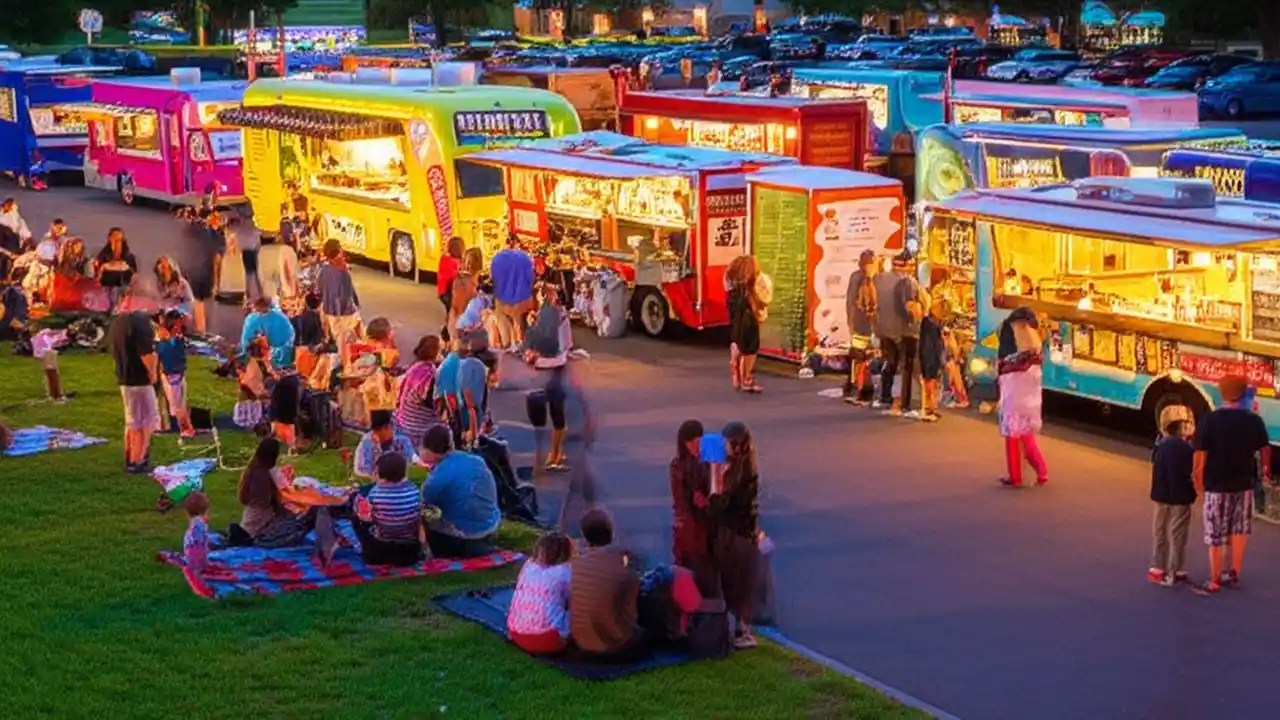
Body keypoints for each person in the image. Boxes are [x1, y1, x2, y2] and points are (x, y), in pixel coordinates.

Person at [1193, 375, 1272, 594]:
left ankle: (1215, 578)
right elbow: (1264, 448)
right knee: (1239, 529)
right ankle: (1234, 573)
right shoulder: (1253, 420)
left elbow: (1201, 453)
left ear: (1222, 393)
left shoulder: (1210, 420)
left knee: (1215, 533)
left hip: (1216, 485)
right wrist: (1265, 471)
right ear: (1243, 393)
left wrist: (1198, 479)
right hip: (1243, 483)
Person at [709, 421, 761, 649]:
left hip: (733, 533)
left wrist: (715, 478)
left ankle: (739, 630)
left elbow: (717, 505)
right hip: (744, 532)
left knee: (733, 583)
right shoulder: (746, 465)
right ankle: (741, 627)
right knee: (741, 583)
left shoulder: (736, 471)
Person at [570, 508, 645, 660]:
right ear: (611, 532)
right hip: (615, 648)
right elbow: (632, 611)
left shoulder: (575, 563)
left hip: (580, 643)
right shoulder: (622, 565)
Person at [419, 424, 501, 558]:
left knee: (420, 515)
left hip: (463, 539)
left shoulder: (437, 480)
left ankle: (423, 551)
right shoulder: (476, 460)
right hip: (491, 527)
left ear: (429, 451)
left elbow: (425, 504)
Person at [997, 307, 1048, 488]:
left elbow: (1005, 365)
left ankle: (1015, 476)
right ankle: (1042, 471)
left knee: (1013, 433)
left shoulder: (1015, 337)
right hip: (1031, 397)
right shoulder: (1036, 345)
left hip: (1015, 391)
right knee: (1027, 433)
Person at [1149, 407, 1196, 587]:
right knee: (1178, 534)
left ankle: (1157, 567)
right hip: (1180, 497)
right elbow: (1186, 473)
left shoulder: (1160, 446)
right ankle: (1175, 570)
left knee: (1160, 530)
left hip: (1161, 495)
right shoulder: (1186, 449)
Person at [108, 309, 159, 473]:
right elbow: (146, 353)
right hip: (140, 381)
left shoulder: (118, 322)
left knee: (131, 420)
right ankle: (138, 461)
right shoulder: (140, 322)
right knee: (145, 421)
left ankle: (130, 457)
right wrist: (153, 374)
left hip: (125, 379)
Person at [507, 532, 574, 655]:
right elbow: (573, 598)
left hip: (515, 632)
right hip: (550, 639)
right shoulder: (564, 572)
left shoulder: (528, 566)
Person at [352, 452, 423, 566]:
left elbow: (366, 515)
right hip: (410, 550)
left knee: (357, 516)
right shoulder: (413, 490)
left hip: (381, 549)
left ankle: (364, 550)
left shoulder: (375, 493)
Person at [670, 419, 715, 594]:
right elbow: (679, 500)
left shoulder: (710, 460)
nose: (695, 446)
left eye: (698, 441)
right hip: (692, 528)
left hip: (711, 524)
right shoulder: (678, 465)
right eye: (690, 442)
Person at [233, 437, 294, 544]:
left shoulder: (252, 469)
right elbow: (273, 503)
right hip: (262, 518)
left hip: (250, 515)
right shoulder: (264, 475)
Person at [395, 335, 446, 445]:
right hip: (417, 426)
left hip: (404, 419)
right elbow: (430, 402)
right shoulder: (427, 374)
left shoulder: (416, 366)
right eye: (441, 350)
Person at [842, 249, 878, 405]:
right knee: (865, 358)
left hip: (858, 323)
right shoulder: (875, 280)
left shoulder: (855, 277)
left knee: (858, 358)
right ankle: (863, 389)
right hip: (870, 324)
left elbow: (850, 302)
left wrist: (850, 322)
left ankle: (855, 388)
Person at [490, 235, 536, 351]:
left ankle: (510, 346)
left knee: (504, 324)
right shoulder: (525, 260)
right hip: (523, 301)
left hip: (504, 302)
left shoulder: (498, 302)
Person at [318, 239, 361, 361]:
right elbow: (346, 294)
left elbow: (320, 289)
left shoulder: (323, 271)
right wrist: (355, 306)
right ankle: (348, 367)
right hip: (345, 313)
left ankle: (343, 364)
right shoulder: (342, 272)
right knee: (351, 342)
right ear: (338, 252)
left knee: (340, 342)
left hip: (330, 312)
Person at [726, 255, 764, 394]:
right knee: (751, 348)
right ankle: (746, 379)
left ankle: (735, 369)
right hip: (748, 315)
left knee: (737, 339)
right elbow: (758, 299)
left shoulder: (730, 279)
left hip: (735, 314)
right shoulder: (751, 282)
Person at [156, 310, 195, 437]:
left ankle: (186, 426)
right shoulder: (163, 344)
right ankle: (185, 428)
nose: (181, 327)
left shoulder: (178, 341)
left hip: (178, 375)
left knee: (181, 403)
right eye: (178, 325)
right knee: (177, 405)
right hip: (170, 376)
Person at [354, 409, 418, 479]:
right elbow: (361, 469)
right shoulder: (367, 442)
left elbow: (412, 458)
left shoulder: (402, 440)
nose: (378, 435)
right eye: (375, 431)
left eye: (383, 429)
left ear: (389, 426)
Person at [241, 296, 296, 371]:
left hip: (269, 353)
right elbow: (290, 335)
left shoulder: (253, 319)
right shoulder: (279, 316)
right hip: (277, 353)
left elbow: (246, 339)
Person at [456, 327, 491, 444]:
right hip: (471, 410)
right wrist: (472, 412)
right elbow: (467, 390)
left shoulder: (468, 363)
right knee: (471, 439)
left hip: (473, 409)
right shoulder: (473, 364)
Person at [918, 295, 946, 423]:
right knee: (928, 384)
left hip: (932, 356)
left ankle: (931, 408)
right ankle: (927, 409)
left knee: (932, 383)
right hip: (929, 356)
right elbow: (930, 343)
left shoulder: (932, 323)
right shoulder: (929, 323)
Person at [95, 228, 138, 311]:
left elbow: (134, 274)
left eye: (119, 239)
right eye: (114, 238)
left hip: (124, 286)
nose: (116, 241)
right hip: (107, 286)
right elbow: (98, 274)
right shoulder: (103, 255)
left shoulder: (129, 257)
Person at [438, 236, 464, 340]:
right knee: (452, 313)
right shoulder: (453, 261)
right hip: (448, 292)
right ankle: (447, 335)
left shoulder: (445, 258)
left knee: (449, 313)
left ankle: (446, 335)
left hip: (442, 292)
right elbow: (454, 276)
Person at [182, 491, 211, 575]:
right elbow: (197, 545)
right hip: (196, 561)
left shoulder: (195, 522)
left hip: (193, 557)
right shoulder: (198, 523)